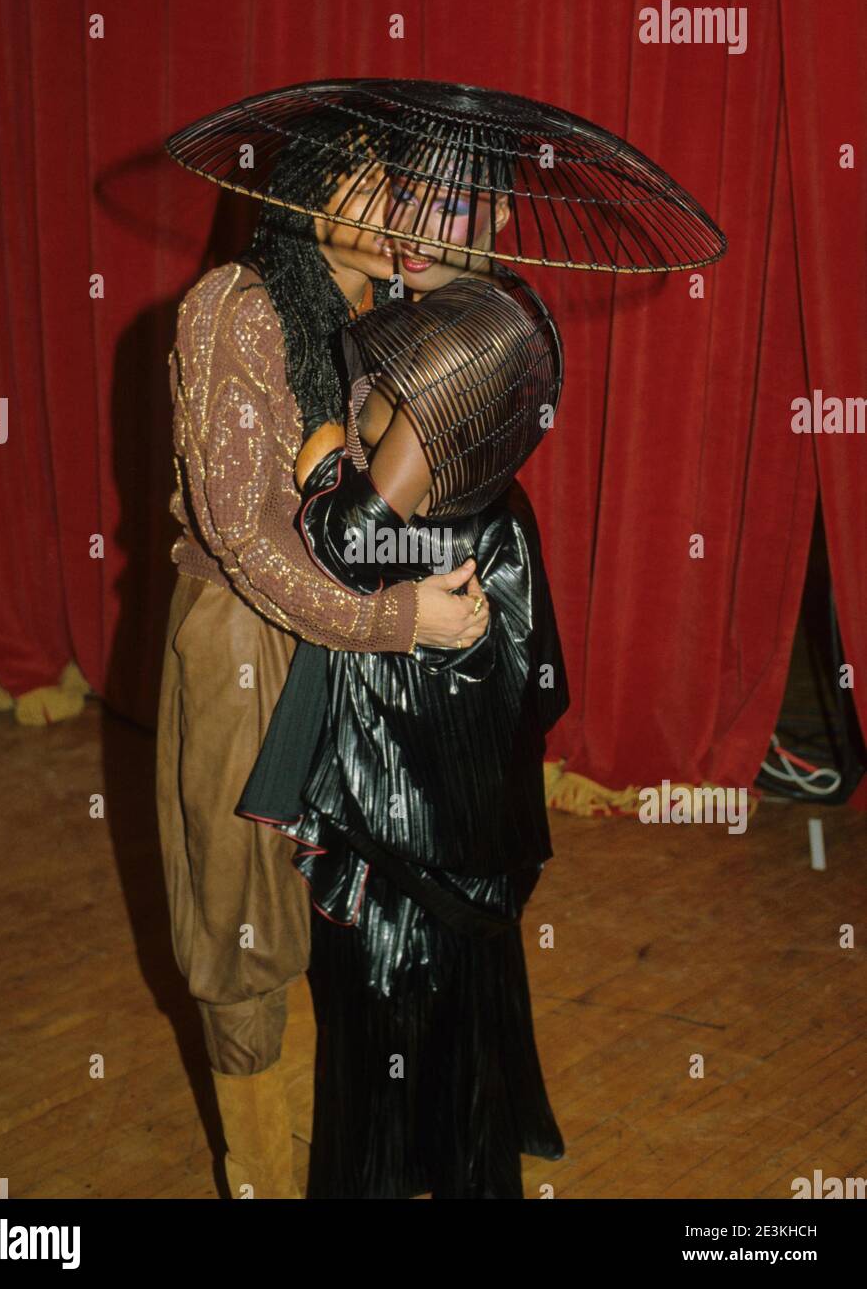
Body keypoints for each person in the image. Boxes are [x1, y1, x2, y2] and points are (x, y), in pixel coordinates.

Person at [156, 116, 489, 1200]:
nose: (393, 208)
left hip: (351, 641)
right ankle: (254, 1176)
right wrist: (398, 621)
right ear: (300, 196)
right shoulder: (232, 307)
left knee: (358, 916)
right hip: (247, 644)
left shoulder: (379, 317)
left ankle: (354, 1158)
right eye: (367, 183)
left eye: (399, 188)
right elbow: (245, 539)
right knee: (240, 916)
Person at [237, 267, 569, 1199]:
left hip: (405, 846)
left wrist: (325, 461)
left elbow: (347, 538)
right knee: (445, 1030)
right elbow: (536, 694)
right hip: (464, 845)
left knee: (383, 1026)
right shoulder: (502, 508)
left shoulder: (427, 513)